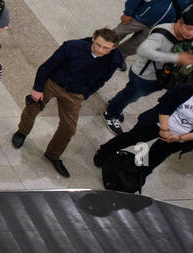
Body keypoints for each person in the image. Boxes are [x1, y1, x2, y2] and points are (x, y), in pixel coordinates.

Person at [14, 29, 126, 177]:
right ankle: (22, 131)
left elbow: (102, 80)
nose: (100, 50)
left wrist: (84, 95)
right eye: (98, 45)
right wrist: (37, 88)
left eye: (106, 48)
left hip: (76, 94)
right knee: (32, 109)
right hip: (53, 83)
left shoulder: (114, 60)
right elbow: (46, 67)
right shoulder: (72, 47)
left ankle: (52, 155)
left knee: (69, 128)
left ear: (113, 47)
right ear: (93, 38)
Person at [103, 10, 193, 134]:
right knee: (130, 96)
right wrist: (177, 58)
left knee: (131, 95)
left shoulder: (187, 36)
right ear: (179, 22)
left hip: (163, 77)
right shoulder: (162, 33)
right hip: (144, 76)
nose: (191, 33)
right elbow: (143, 51)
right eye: (189, 28)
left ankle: (115, 103)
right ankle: (111, 113)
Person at [94, 83, 193, 184]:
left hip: (179, 137)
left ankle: (136, 178)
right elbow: (164, 107)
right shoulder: (186, 89)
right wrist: (164, 130)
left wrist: (180, 138)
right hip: (157, 123)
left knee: (155, 158)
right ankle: (103, 153)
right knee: (131, 138)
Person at [114, 0, 193, 58]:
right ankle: (99, 50)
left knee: (136, 45)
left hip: (157, 27)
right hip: (139, 18)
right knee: (116, 34)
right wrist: (128, 12)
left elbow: (188, 13)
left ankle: (117, 57)